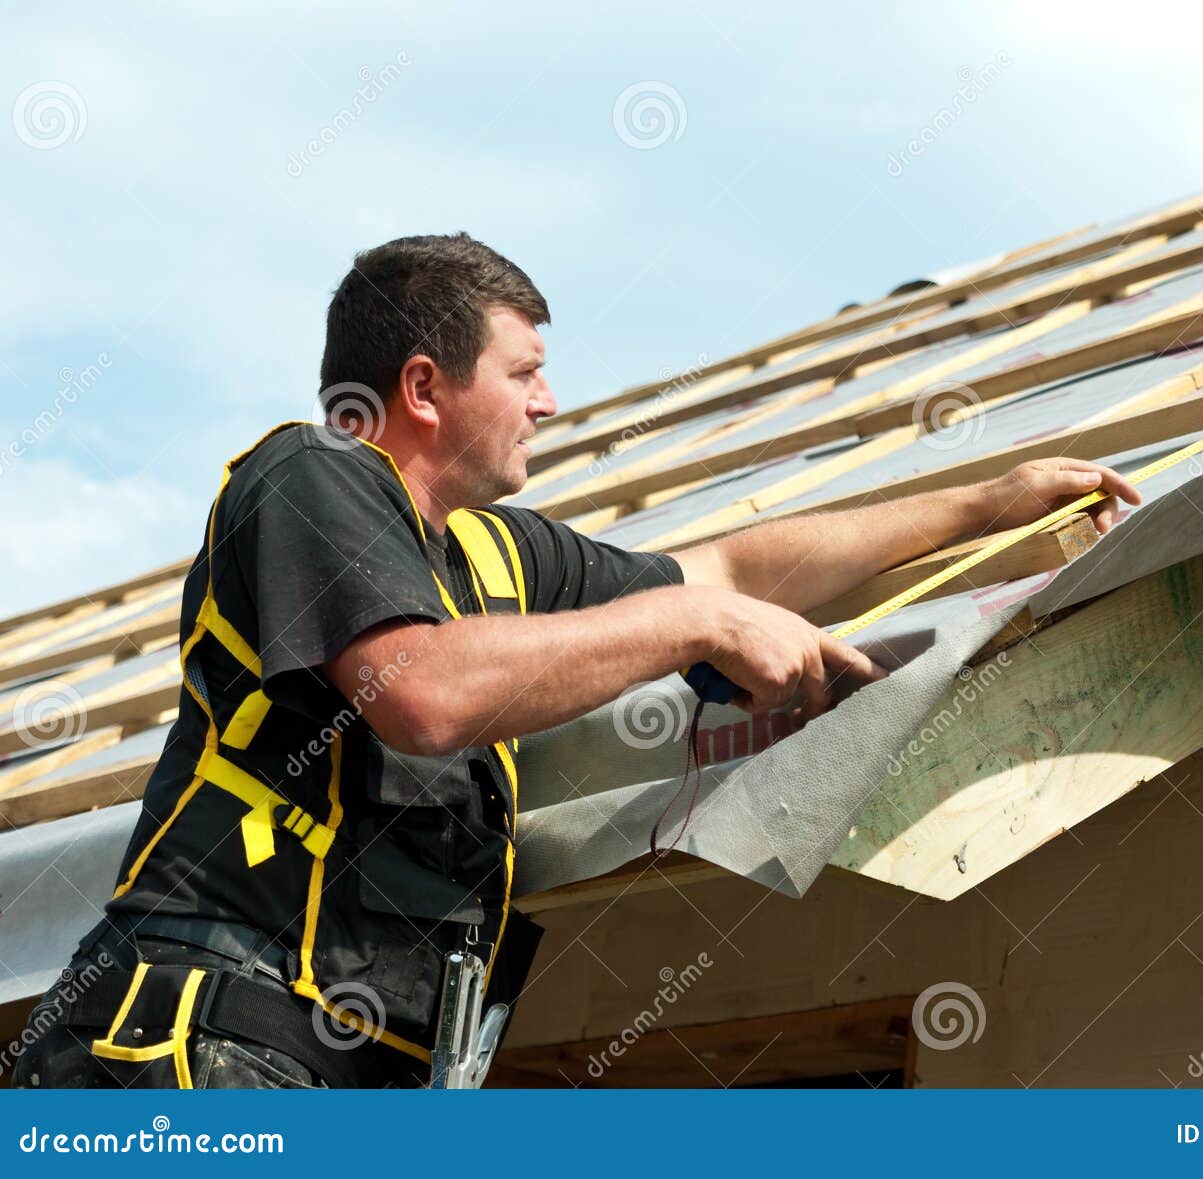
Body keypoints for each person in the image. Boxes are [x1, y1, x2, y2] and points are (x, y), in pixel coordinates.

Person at [10, 233, 1139, 1089]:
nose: (549, 402)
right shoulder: (312, 476)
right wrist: (699, 632)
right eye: (524, 371)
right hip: (193, 1043)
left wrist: (982, 502)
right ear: (420, 388)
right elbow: (419, 690)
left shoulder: (499, 557)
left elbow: (733, 569)